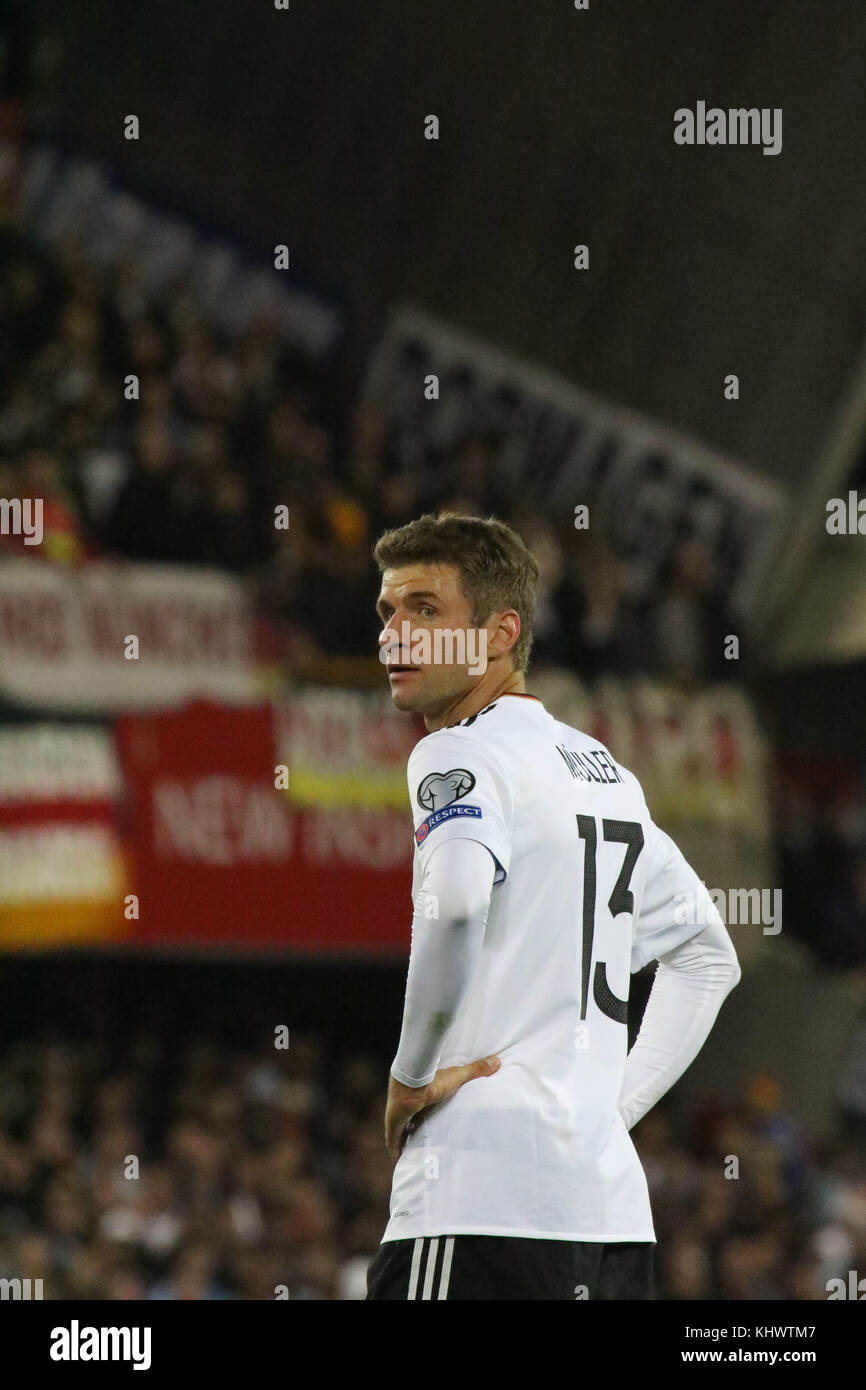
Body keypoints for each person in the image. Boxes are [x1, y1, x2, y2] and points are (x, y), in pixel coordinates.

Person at [365, 512, 740, 1301]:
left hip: (479, 1198)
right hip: (608, 1217)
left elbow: (458, 904)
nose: (395, 634)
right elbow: (708, 955)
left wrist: (409, 1076)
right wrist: (606, 1109)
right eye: (388, 612)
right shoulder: (601, 771)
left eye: (425, 611)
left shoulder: (457, 750)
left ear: (501, 633)